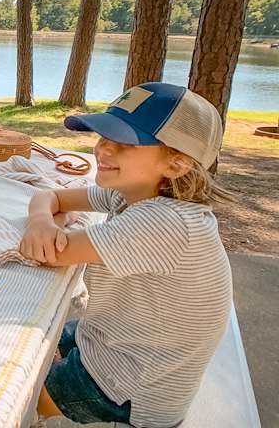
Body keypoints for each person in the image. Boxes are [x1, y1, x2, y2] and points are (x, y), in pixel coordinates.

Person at [19, 82, 233, 428]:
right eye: (104, 136)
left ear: (177, 165)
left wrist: (42, 230)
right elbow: (51, 197)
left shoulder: (164, 222)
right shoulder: (134, 192)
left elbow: (49, 253)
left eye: (124, 143)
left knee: (16, 391)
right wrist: (42, 219)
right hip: (118, 338)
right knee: (33, 331)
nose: (103, 149)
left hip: (134, 387)